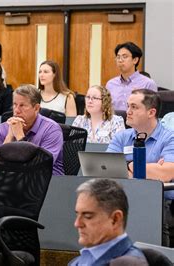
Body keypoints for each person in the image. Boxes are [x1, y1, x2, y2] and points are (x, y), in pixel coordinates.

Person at [107, 89, 174, 246]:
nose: (127, 111)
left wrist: (128, 166)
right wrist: (151, 169)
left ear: (151, 112)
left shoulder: (170, 137)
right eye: (128, 106)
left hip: (160, 201)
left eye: (134, 107)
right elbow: (107, 169)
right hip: (124, 197)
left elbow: (166, 174)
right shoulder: (122, 137)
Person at [69, 178, 147, 265]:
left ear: (115, 219)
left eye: (88, 216)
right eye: (77, 215)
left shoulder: (132, 263)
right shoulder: (76, 262)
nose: (77, 224)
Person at [0, 84, 64, 175]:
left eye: (22, 105)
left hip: (47, 183)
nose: (16, 110)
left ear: (36, 108)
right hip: (12, 181)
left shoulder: (52, 130)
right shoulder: (3, 128)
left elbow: (41, 165)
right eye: (15, 104)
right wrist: (9, 136)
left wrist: (20, 137)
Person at [106, 42, 157, 111]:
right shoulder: (110, 84)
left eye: (125, 57)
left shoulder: (148, 83)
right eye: (118, 57)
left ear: (135, 60)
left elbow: (152, 111)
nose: (120, 60)